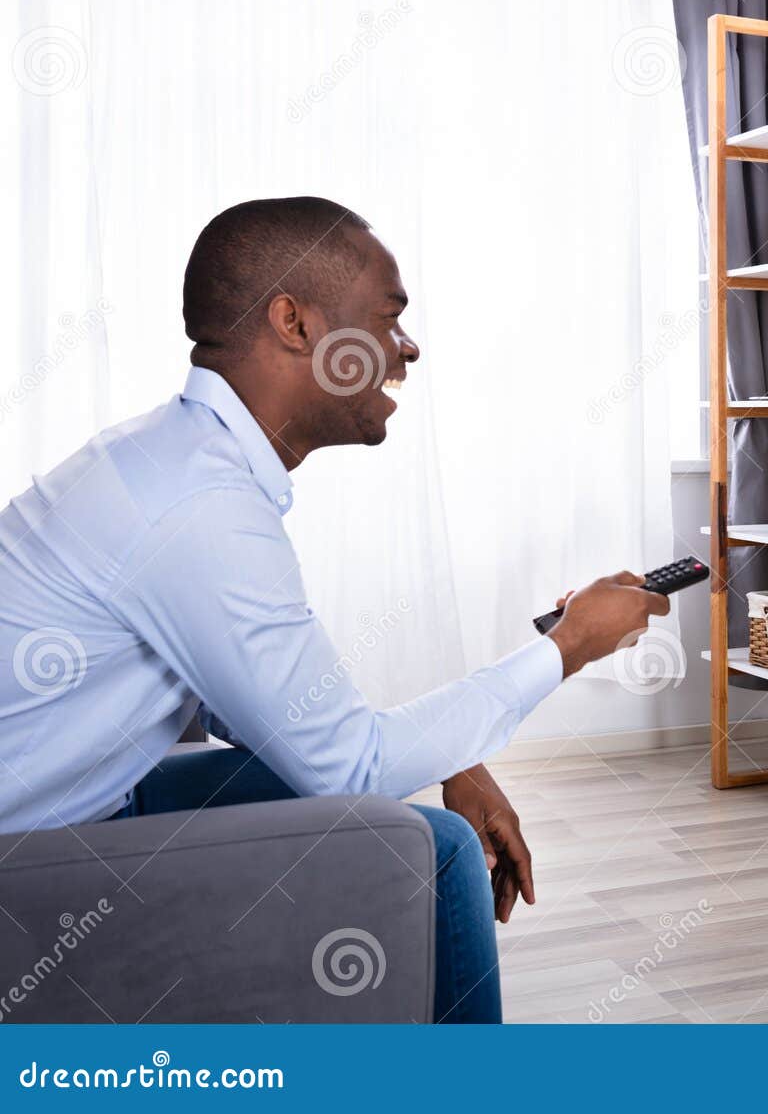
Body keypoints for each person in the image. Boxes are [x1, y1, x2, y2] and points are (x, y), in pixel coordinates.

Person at [0, 196, 667, 1023]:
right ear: (295, 323)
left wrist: (452, 755)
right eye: (389, 317)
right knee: (429, 849)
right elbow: (349, 765)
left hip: (87, 804)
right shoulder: (200, 503)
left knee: (391, 816)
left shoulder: (174, 460)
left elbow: (251, 702)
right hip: (25, 863)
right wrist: (570, 645)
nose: (408, 346)